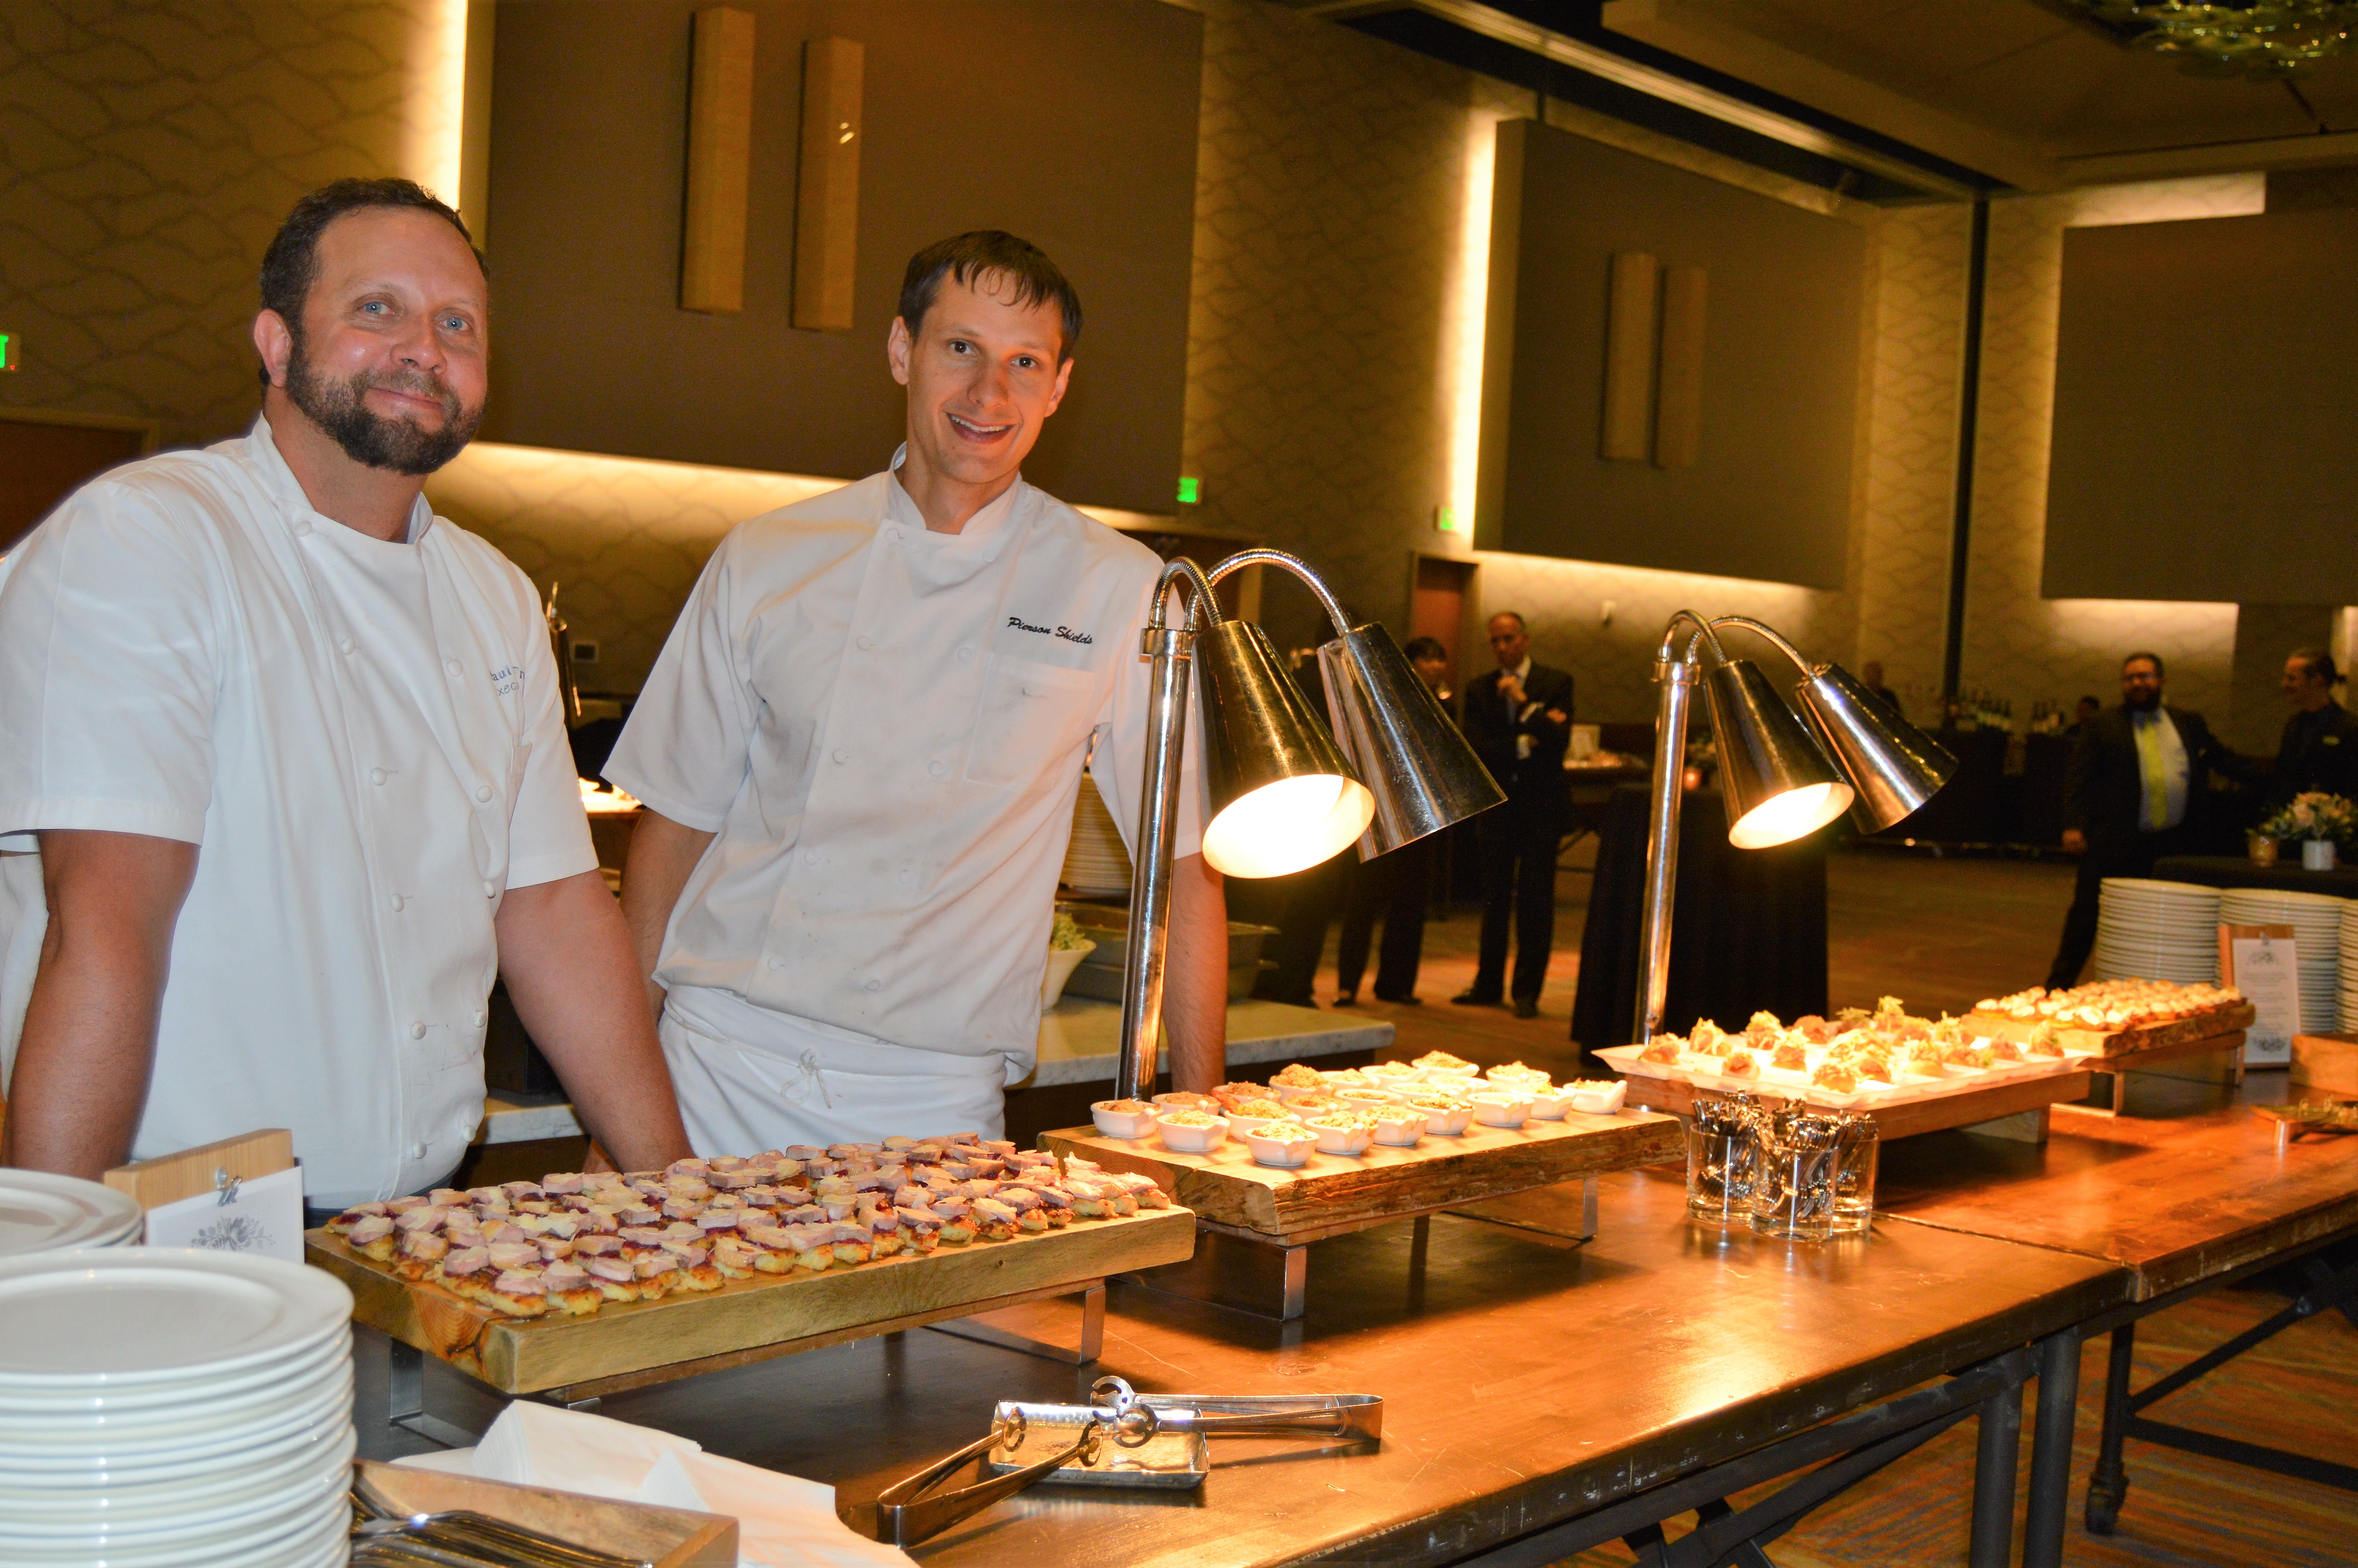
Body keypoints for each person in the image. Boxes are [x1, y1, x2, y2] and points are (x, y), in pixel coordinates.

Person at [0, 179, 691, 1207]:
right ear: (276, 346)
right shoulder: (151, 537)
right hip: (170, 1219)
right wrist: (49, 1268)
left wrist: (676, 1188)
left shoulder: (492, 596)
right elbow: (104, 925)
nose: (424, 347)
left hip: (412, 1223)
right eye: (378, 310)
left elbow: (550, 907)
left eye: (456, 323)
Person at [610, 232, 1226, 1154]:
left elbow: (1180, 865)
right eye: (961, 348)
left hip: (932, 1096)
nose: (990, 393)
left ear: (1059, 387)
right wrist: (614, 1093)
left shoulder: (1117, 586)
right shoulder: (769, 556)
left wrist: (1202, 1118)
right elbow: (673, 833)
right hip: (715, 1063)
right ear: (902, 351)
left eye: (1026, 363)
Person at [2045, 651, 2251, 990]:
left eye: (2145, 677)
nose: (2138, 684)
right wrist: (2073, 825)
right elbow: (2079, 780)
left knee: (2163, 921)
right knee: (2085, 917)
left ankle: (2158, 990)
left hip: (2171, 844)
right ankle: (2055, 988)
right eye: (2131, 678)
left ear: (2161, 681)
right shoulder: (2102, 724)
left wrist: (2272, 782)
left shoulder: (2187, 723)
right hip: (2113, 841)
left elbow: (2220, 759)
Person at [1455, 612, 1573, 1018]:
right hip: (1499, 806)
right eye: (1495, 641)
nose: (1502, 647)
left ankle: (1527, 993)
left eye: (1508, 638)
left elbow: (1559, 741)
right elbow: (1476, 747)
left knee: (1537, 899)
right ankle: (1487, 985)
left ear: (1524, 640)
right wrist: (1527, 738)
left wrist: (1525, 706)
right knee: (1494, 899)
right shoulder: (1479, 689)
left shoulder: (1556, 683)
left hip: (1542, 806)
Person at [1333, 637, 1451, 1005]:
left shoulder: (1445, 704)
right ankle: (1347, 985)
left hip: (1423, 814)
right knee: (1364, 901)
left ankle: (1396, 985)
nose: (1434, 666)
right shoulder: (1383, 700)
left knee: (1411, 902)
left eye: (1439, 659)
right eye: (1426, 659)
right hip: (1379, 812)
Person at [2268, 648, 2358, 807]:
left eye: (2292, 679)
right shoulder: (2294, 725)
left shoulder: (2349, 728)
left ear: (2318, 681)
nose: (2285, 685)